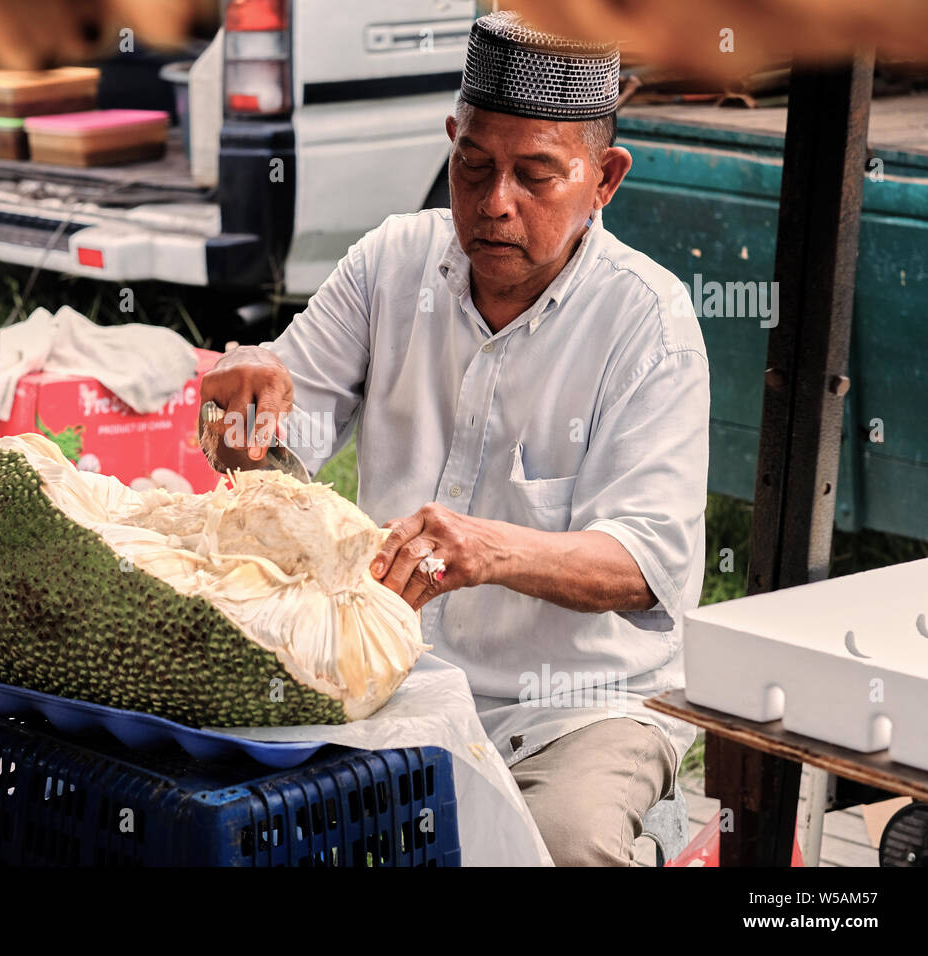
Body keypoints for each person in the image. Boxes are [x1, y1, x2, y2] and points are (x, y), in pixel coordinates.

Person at [200, 11, 710, 866]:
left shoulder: (647, 323)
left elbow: (646, 565)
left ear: (605, 179)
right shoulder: (389, 264)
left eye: (535, 176)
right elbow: (269, 453)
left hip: (580, 709)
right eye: (473, 166)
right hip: (390, 681)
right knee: (241, 809)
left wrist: (491, 550)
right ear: (451, 144)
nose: (493, 202)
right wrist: (241, 409)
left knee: (564, 844)